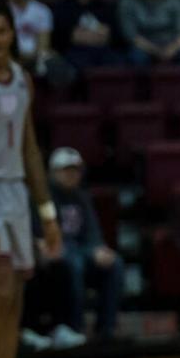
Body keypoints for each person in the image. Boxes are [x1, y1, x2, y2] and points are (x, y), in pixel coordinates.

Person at [0, 0, 61, 358]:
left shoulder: (21, 79)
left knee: (12, 300)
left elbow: (31, 150)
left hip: (16, 194)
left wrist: (47, 213)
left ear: (12, 34)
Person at [45, 147, 125, 343]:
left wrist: (98, 248)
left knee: (115, 264)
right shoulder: (44, 199)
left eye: (75, 170)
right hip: (58, 253)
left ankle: (106, 329)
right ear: (53, 172)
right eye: (66, 170)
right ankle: (72, 327)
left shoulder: (82, 197)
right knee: (74, 264)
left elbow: (92, 233)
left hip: (81, 251)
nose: (72, 175)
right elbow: (41, 234)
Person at [53, 0, 124, 71]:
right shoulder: (65, 8)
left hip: (104, 53)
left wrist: (84, 35)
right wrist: (95, 35)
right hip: (76, 55)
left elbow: (112, 36)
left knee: (119, 63)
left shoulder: (105, 7)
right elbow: (66, 38)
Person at [6, 0, 52, 73]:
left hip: (34, 60)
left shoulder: (42, 10)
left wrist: (29, 57)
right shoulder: (5, 10)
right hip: (9, 58)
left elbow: (43, 45)